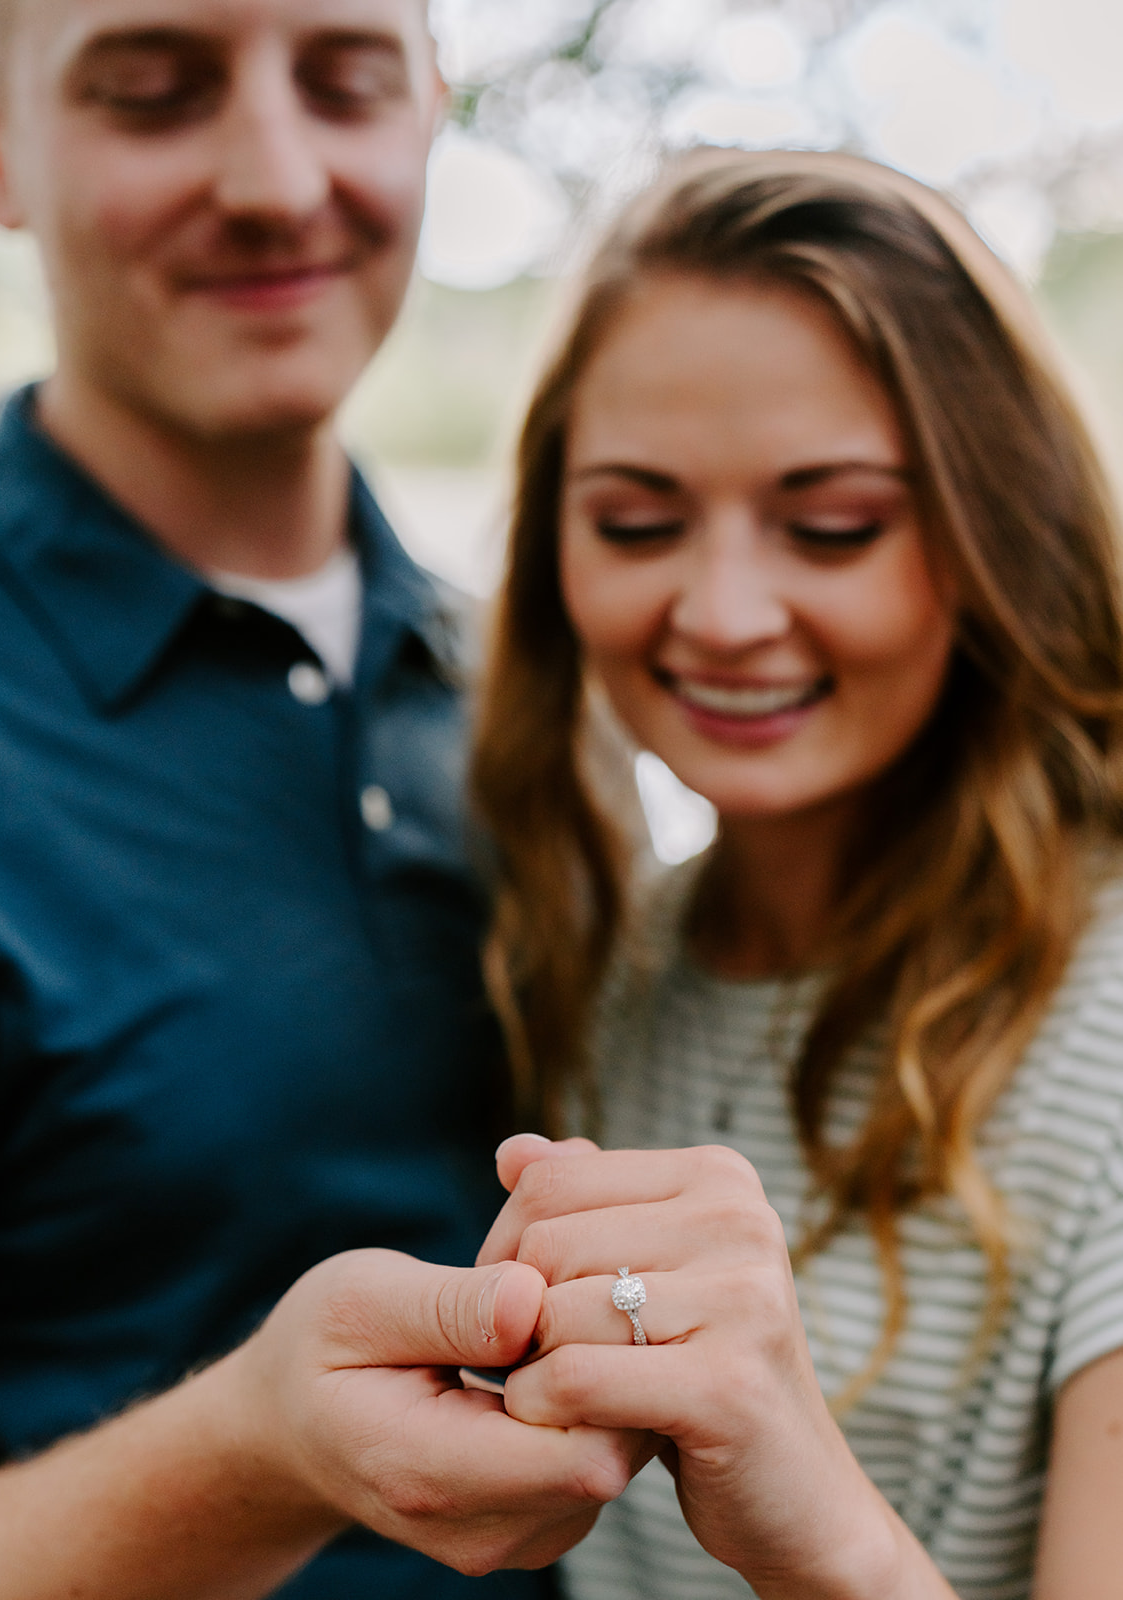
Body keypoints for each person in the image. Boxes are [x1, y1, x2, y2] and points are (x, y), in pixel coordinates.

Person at [0, 0, 646, 1593]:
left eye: (345, 83)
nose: (277, 183)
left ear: (431, 111)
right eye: (156, 93)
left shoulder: (542, 703)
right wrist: (257, 1454)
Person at [471, 149, 1123, 1600]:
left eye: (833, 525)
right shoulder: (614, 975)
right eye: (636, 522)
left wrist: (811, 1516)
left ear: (997, 527)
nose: (723, 612)